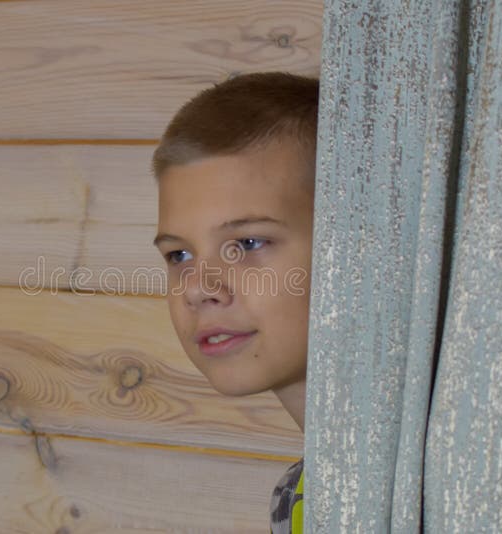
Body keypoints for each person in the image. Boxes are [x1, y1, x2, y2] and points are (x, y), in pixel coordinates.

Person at [151, 72, 318, 534]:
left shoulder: (454, 484)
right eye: (178, 254)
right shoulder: (297, 496)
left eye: (246, 242)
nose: (199, 287)